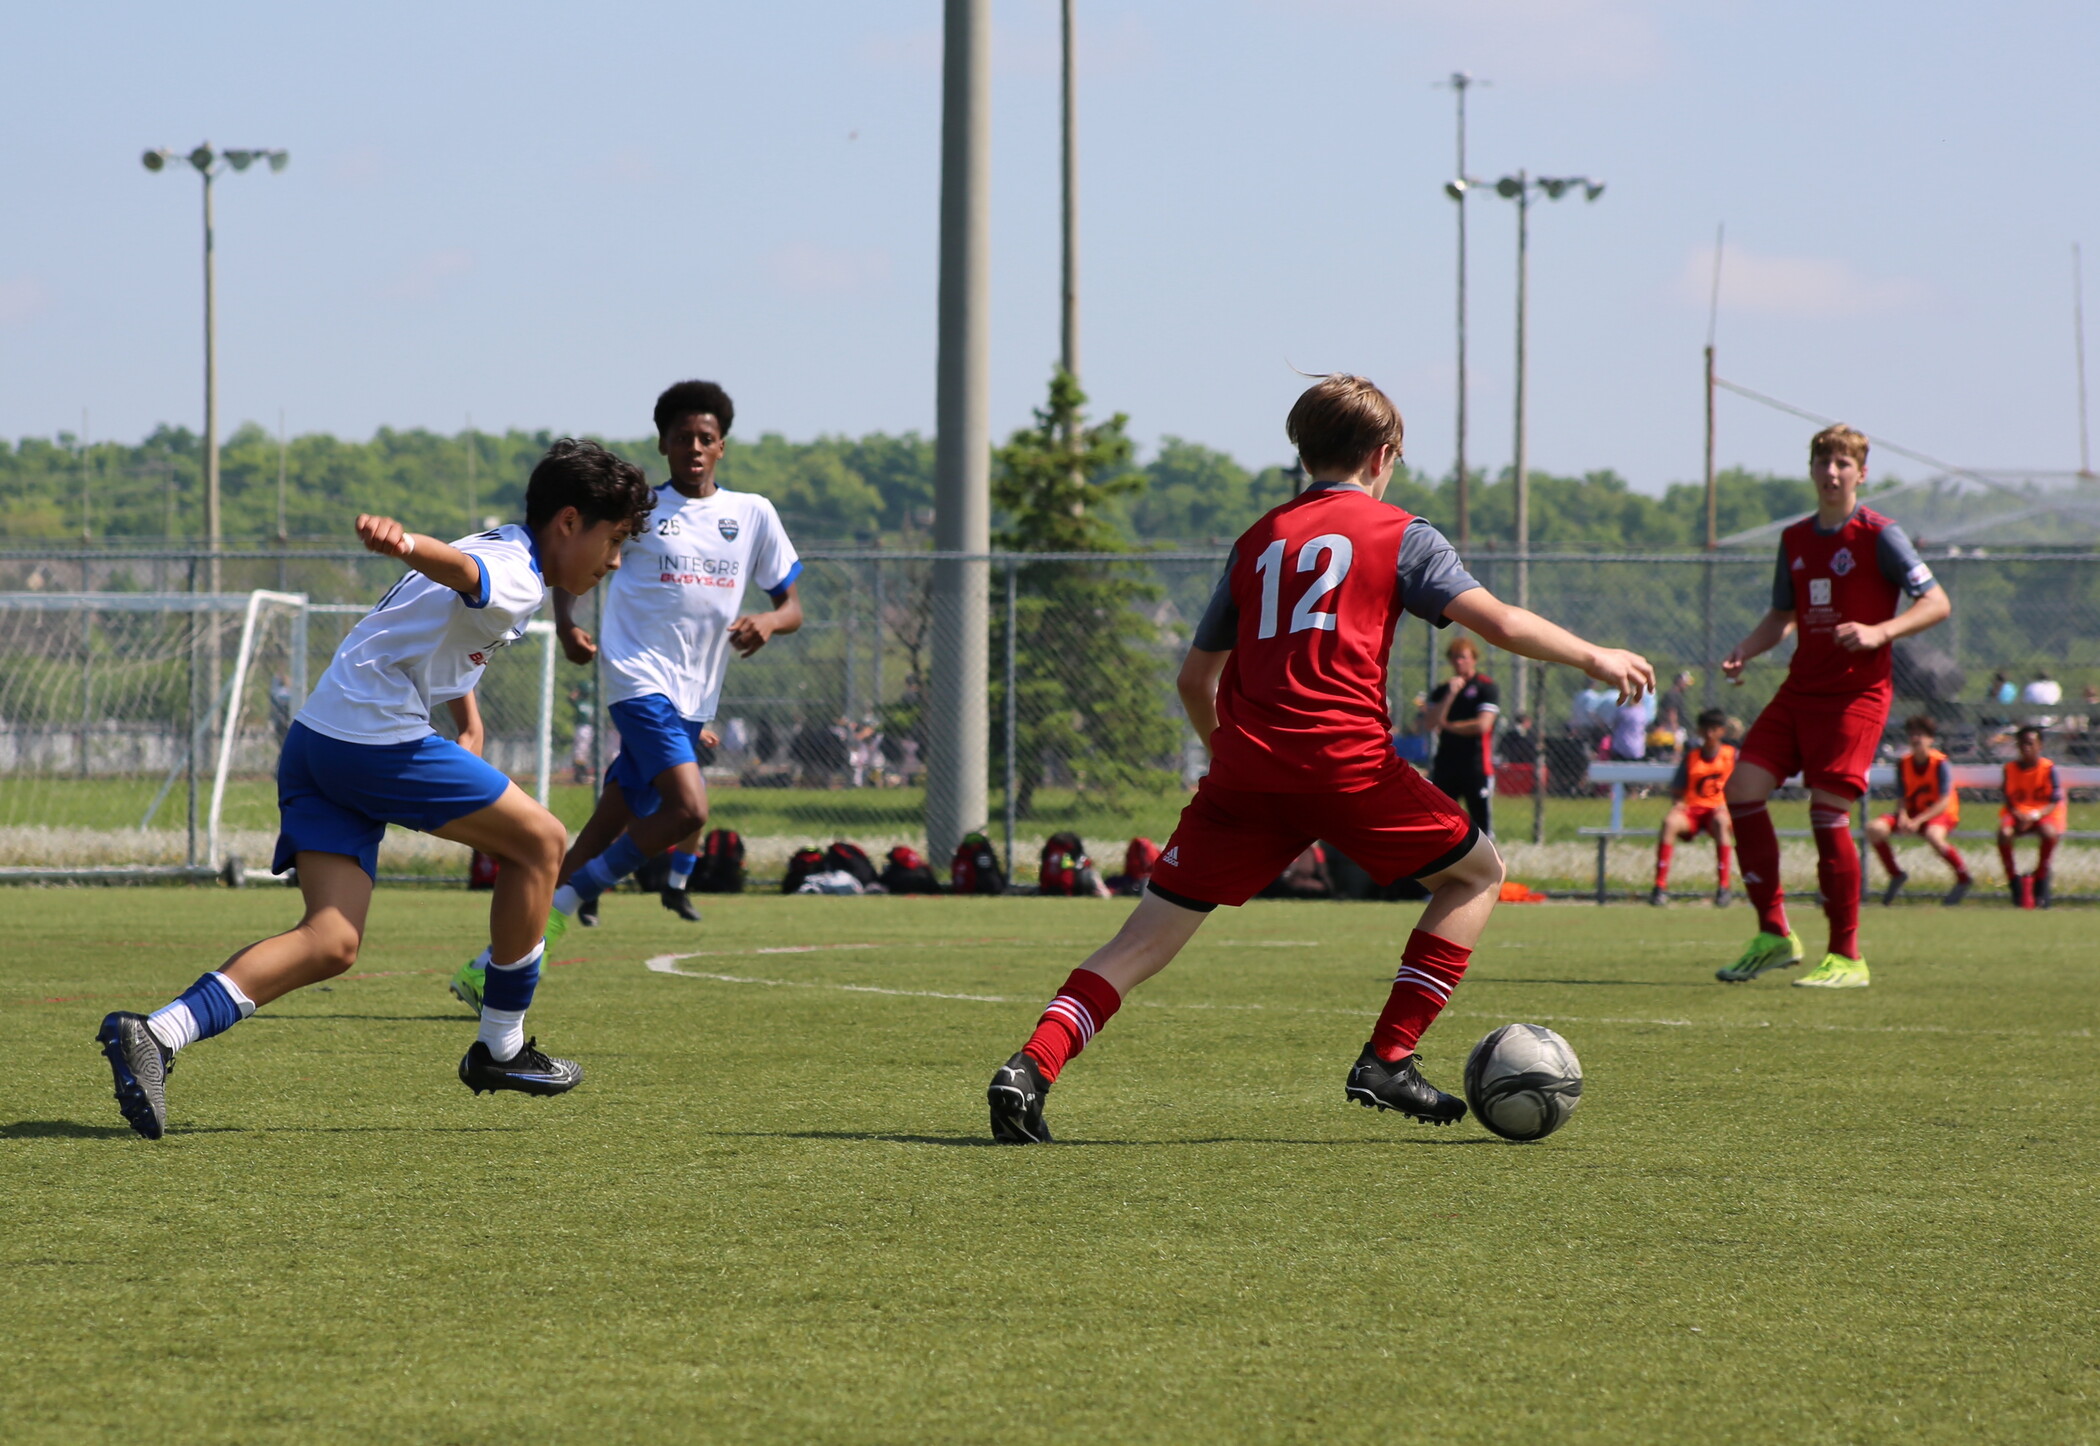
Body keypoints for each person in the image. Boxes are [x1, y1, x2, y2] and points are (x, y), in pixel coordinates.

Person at [981, 374, 1652, 1143]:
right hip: (1348, 764)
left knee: (1140, 940)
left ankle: (1030, 1067)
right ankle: (1389, 1057)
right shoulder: (1402, 533)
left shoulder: (1258, 540)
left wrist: (1233, 760)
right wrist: (1595, 658)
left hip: (1246, 771)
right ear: (1384, 454)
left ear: (1304, 453)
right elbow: (1494, 622)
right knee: (1476, 874)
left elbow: (1194, 679)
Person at [96, 440, 654, 1139]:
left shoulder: (506, 546)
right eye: (614, 540)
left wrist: (469, 719)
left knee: (331, 940)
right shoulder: (515, 570)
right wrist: (406, 542)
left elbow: (437, 622)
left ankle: (155, 1033)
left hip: (316, 743)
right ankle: (501, 1048)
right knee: (541, 840)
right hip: (370, 739)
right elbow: (465, 574)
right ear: (568, 522)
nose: (614, 560)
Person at [451, 383, 801, 1005]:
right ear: (663, 442)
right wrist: (566, 624)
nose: (694, 447)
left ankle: (492, 970)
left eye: (706, 437)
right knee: (689, 808)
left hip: (697, 697)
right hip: (639, 681)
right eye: (682, 437)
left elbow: (790, 604)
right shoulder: (639, 509)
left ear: (722, 445)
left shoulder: (752, 515)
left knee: (600, 831)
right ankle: (574, 899)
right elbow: (576, 556)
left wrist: (768, 623)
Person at [1715, 424, 1951, 989]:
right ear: (1812, 469)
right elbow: (1781, 616)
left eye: (1844, 463)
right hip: (1801, 691)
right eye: (1824, 462)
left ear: (1861, 473)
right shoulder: (1796, 538)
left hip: (1857, 697)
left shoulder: (1880, 535)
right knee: (1741, 789)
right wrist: (1745, 650)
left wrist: (1881, 631)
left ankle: (1847, 956)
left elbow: (1937, 602)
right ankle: (1774, 934)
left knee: (1827, 814)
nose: (1832, 472)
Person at [1868, 713, 1971, 907]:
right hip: (1914, 813)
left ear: (1931, 739)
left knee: (1934, 835)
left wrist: (1918, 821)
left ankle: (1963, 877)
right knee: (1875, 828)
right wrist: (1904, 816)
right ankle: (1896, 874)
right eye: (1913, 734)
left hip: (1940, 815)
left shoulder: (1940, 764)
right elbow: (1902, 797)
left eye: (1921, 735)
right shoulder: (1904, 763)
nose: (1916, 739)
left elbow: (1943, 801)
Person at [1651, 708, 1736, 907]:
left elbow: (1740, 787)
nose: (1709, 734)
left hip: (1718, 810)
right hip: (1693, 810)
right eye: (1705, 729)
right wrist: (1678, 806)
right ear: (1699, 731)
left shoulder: (1730, 756)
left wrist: (1728, 806)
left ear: (1722, 731)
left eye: (1714, 729)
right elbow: (1677, 791)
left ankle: (1724, 888)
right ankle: (1659, 887)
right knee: (1669, 822)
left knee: (1722, 821)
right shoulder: (1692, 757)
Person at [1418, 635, 1499, 834]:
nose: (1458, 662)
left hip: (1476, 765)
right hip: (1446, 764)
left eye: (1463, 657)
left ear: (1473, 659)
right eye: (1454, 657)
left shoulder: (1485, 687)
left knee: (1481, 823)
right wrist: (1450, 695)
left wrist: (1448, 726)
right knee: (1440, 820)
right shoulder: (1442, 690)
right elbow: (1429, 723)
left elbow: (1483, 724)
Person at [1998, 725, 2066, 909]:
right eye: (2022, 744)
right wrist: (2019, 815)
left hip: (2041, 813)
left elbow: (2053, 800)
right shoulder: (2010, 768)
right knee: (2004, 833)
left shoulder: (2047, 768)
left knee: (2049, 833)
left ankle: (2041, 879)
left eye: (2030, 744)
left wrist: (2035, 815)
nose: (2026, 748)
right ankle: (2014, 883)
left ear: (2039, 746)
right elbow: (2009, 799)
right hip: (2017, 814)